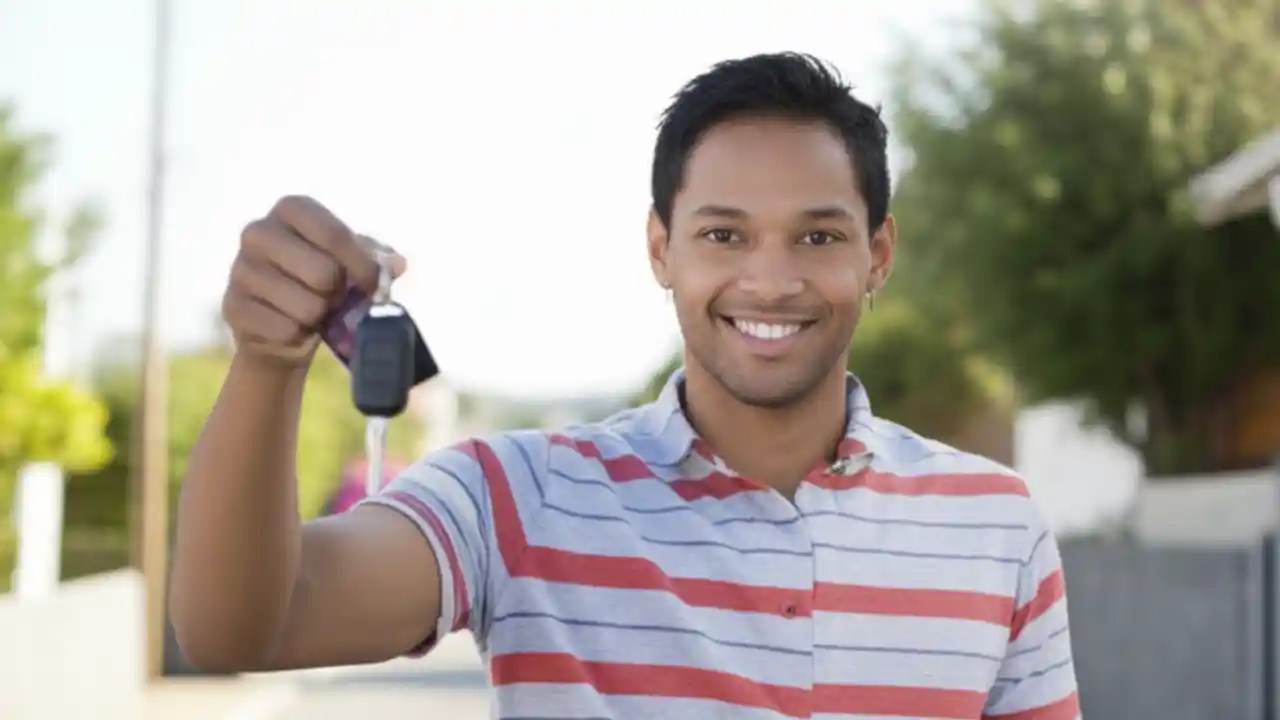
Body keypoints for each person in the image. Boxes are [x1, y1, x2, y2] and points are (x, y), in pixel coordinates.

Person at [170, 52, 1080, 719]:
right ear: (661, 248)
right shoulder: (516, 497)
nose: (771, 281)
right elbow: (242, 629)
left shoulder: (996, 525)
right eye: (723, 235)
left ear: (877, 254)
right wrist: (268, 364)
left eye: (818, 236)